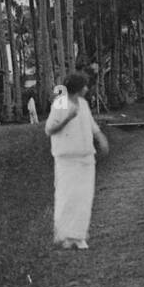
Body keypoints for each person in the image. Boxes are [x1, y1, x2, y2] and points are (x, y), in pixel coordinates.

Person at [44, 73, 109, 250]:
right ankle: (66, 236)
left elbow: (92, 126)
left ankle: (79, 235)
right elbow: (49, 129)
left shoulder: (84, 104)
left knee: (84, 197)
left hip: (86, 158)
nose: (87, 89)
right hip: (66, 159)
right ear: (78, 88)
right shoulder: (60, 104)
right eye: (85, 86)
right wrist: (67, 119)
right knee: (67, 197)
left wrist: (101, 138)